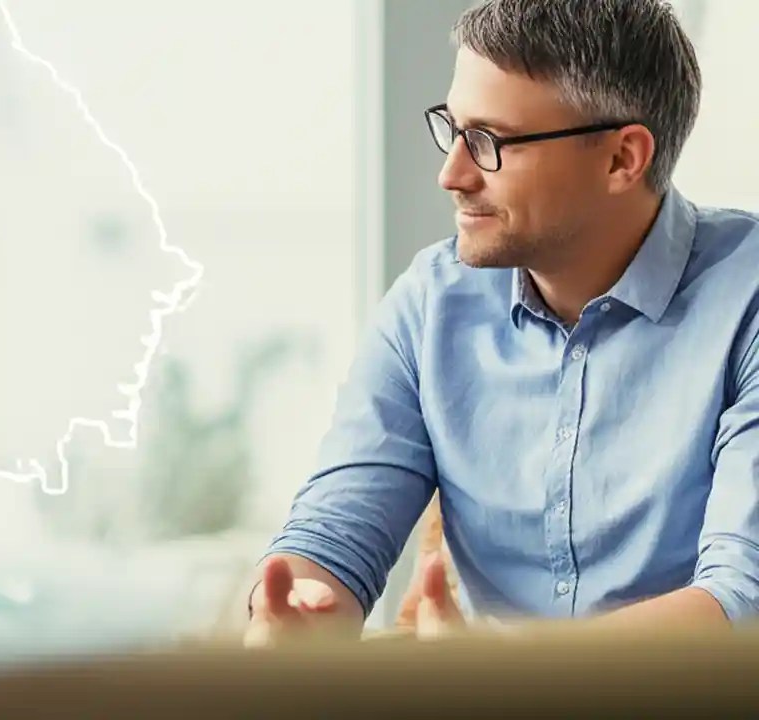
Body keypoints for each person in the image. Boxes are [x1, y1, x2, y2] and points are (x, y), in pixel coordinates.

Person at [246, 0, 759, 648]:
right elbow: (330, 541)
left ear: (622, 160)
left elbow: (742, 607)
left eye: (488, 142)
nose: (451, 173)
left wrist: (500, 674)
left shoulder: (748, 300)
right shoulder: (430, 305)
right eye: (452, 129)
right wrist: (298, 605)